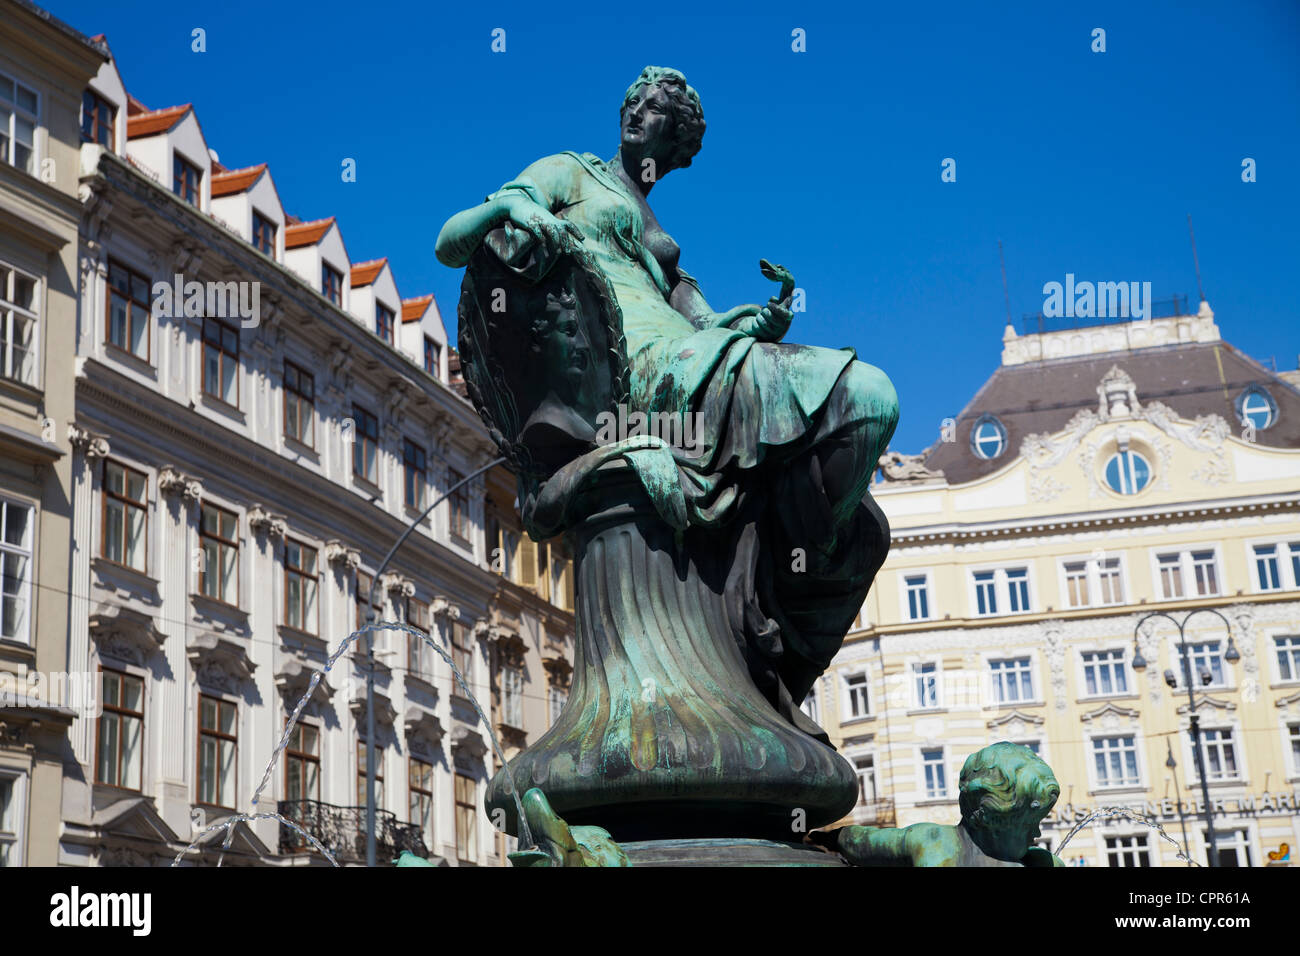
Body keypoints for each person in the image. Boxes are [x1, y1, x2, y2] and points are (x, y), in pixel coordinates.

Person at [437, 66, 899, 732]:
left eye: (656, 110)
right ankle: (774, 592)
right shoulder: (570, 172)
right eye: (634, 101)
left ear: (676, 142)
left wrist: (752, 322)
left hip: (686, 353)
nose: (637, 113)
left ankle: (769, 608)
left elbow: (705, 321)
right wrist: (510, 208)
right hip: (626, 375)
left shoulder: (660, 235)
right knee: (865, 395)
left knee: (865, 478)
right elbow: (451, 242)